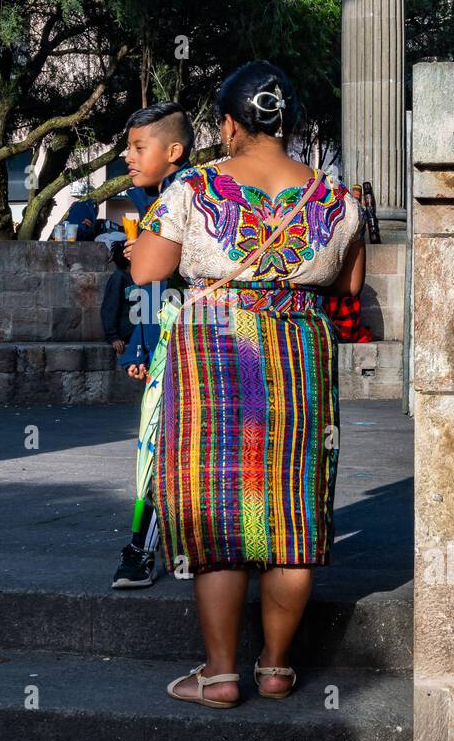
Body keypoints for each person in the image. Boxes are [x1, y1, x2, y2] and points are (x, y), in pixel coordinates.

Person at [130, 61, 365, 707]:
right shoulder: (336, 199)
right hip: (299, 354)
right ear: (287, 126)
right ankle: (278, 666)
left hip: (214, 347)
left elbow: (149, 267)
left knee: (217, 516)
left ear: (229, 125)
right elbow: (349, 287)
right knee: (292, 512)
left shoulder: (195, 188)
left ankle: (220, 672)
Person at [111, 101, 195, 589]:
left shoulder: (184, 195)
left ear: (174, 150)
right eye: (129, 147)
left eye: (140, 147)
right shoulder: (160, 197)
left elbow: (165, 283)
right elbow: (148, 288)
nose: (129, 157)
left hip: (190, 334)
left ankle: (144, 549)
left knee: (155, 440)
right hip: (174, 333)